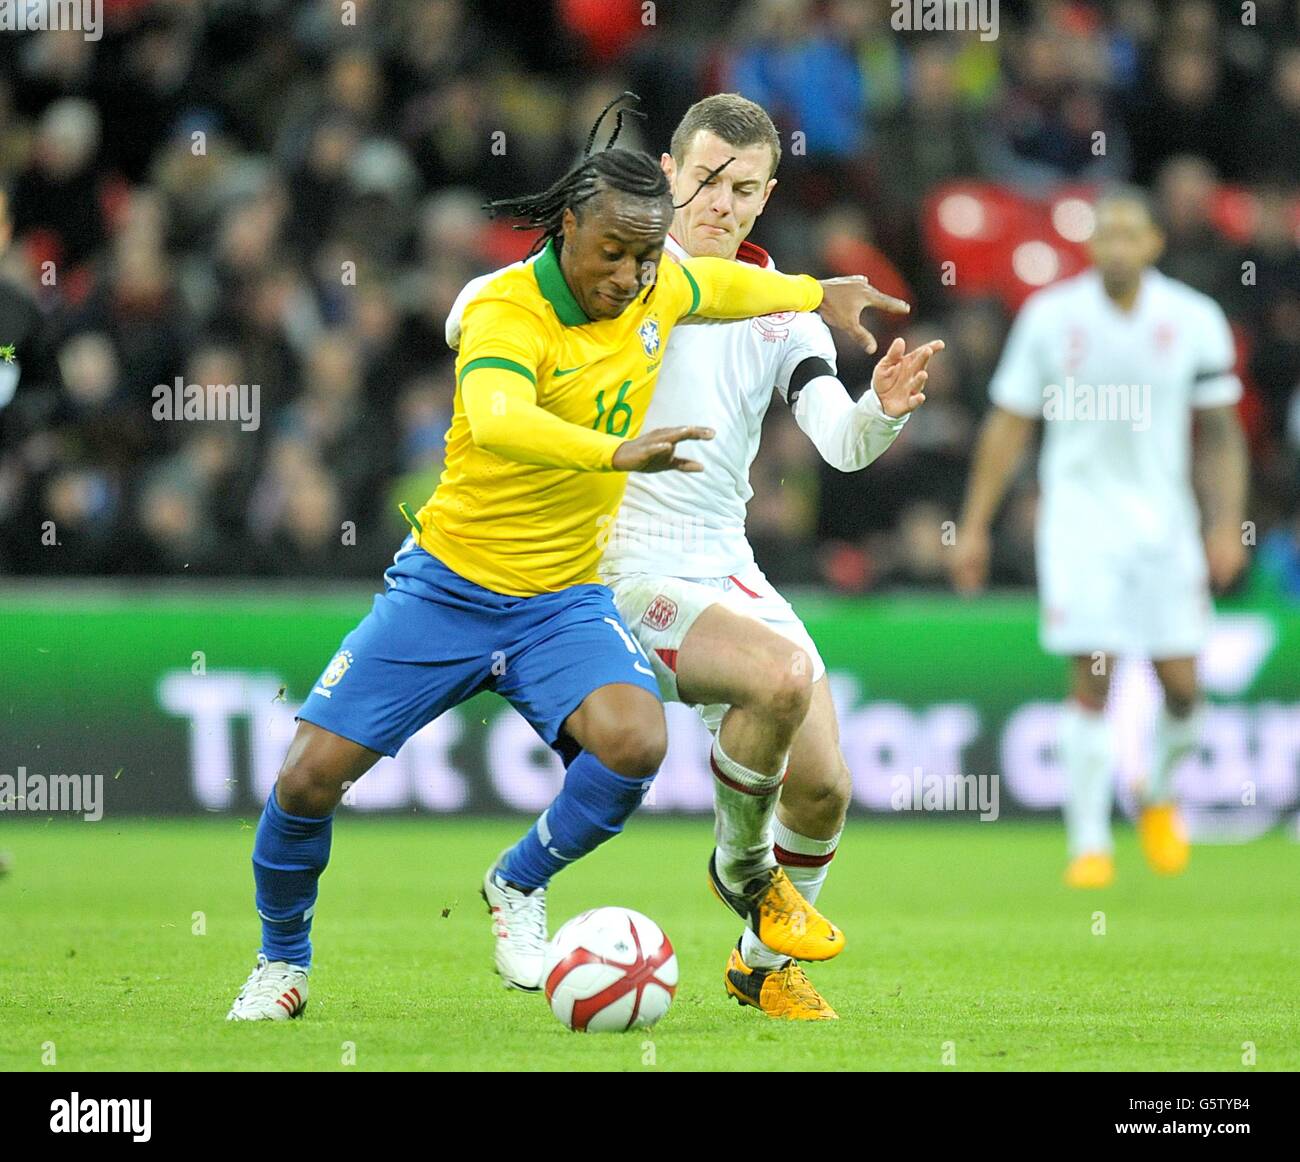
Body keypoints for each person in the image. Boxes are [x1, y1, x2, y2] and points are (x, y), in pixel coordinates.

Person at [227, 116, 897, 1018]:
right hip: (481, 579)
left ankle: (561, 896)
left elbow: (743, 297)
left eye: (745, 190)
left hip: (586, 592)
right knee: (309, 776)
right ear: (646, 188)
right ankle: (281, 963)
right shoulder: (510, 304)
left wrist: (825, 296)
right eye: (706, 182)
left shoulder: (676, 286)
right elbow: (499, 417)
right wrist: (613, 454)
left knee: (695, 755)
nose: (630, 277)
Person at [597, 94, 939, 1020]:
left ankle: (757, 963)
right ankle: (740, 868)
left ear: (766, 195)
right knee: (782, 680)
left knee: (825, 787)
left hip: (726, 566)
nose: (720, 200)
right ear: (669, 174)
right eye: (705, 178)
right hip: (624, 566)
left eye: (742, 187)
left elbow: (837, 440)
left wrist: (881, 410)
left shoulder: (785, 311)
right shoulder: (617, 277)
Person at [950, 189, 1248, 888]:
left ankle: (1158, 793)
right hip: (1079, 524)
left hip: (1166, 526)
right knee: (1093, 675)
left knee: (1183, 688)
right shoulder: (1052, 319)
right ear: (1091, 246)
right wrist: (974, 526)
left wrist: (1224, 523)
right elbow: (1008, 424)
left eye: (1130, 234)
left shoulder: (1194, 318)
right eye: (1105, 234)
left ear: (1153, 244)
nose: (1116, 246)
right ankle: (1089, 843)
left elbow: (1222, 436)